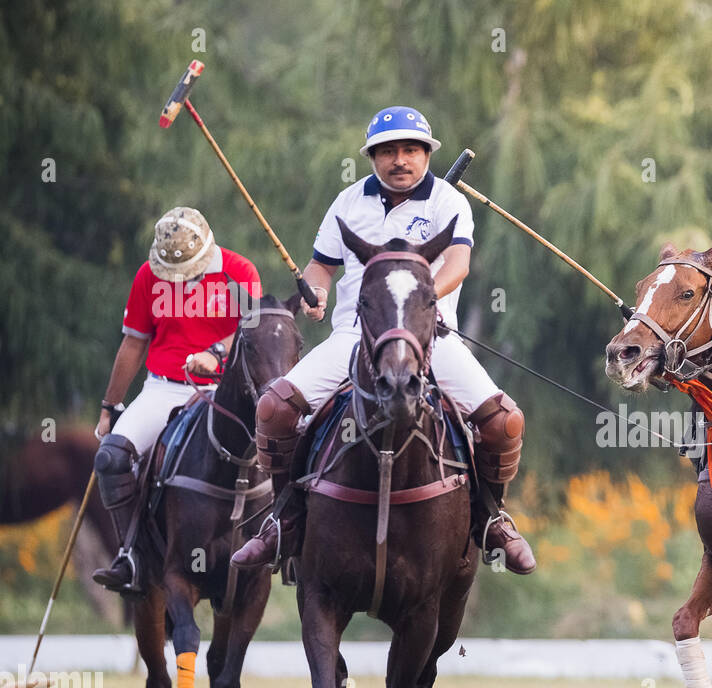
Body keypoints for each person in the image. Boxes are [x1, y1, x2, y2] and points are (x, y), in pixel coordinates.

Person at [230, 106, 536, 573]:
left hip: (431, 336)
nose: (400, 159)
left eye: (411, 150)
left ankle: (492, 517)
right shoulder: (348, 202)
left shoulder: (448, 204)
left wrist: (413, 298)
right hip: (355, 334)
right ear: (372, 157)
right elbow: (321, 266)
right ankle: (284, 518)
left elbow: (457, 265)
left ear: (426, 154)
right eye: (388, 151)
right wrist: (315, 291)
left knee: (504, 423)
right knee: (273, 409)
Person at [92, 207, 261, 591]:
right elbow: (134, 342)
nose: (181, 279)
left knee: (286, 444)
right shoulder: (149, 273)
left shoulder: (238, 271)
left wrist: (216, 352)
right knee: (111, 457)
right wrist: (109, 407)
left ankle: (287, 544)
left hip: (226, 392)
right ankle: (131, 556)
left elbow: (253, 331)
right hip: (164, 388)